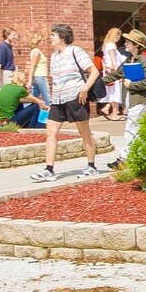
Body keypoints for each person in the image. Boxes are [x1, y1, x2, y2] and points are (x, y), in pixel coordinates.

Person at [29, 24, 101, 182]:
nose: (50, 38)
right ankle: (49, 169)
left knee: (84, 133)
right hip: (58, 100)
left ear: (62, 37)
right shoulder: (54, 56)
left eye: (53, 35)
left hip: (76, 97)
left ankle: (91, 166)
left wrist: (84, 89)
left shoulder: (76, 51)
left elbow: (94, 72)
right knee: (50, 133)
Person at [101, 30, 146, 170]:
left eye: (128, 41)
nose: (125, 43)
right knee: (136, 128)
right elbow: (116, 74)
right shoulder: (129, 60)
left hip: (140, 99)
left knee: (130, 128)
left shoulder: (143, 60)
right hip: (131, 99)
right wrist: (97, 83)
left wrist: (131, 85)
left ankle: (124, 159)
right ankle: (139, 156)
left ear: (136, 45)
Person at [99, 27, 126, 121]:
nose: (119, 39)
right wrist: (117, 71)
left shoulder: (106, 45)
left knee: (112, 92)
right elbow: (113, 59)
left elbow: (104, 60)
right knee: (116, 92)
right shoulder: (112, 45)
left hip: (107, 71)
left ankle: (106, 108)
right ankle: (114, 114)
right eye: (119, 36)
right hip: (113, 71)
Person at [24, 34, 51, 106]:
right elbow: (32, 66)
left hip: (36, 77)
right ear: (38, 41)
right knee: (47, 97)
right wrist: (29, 81)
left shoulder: (34, 51)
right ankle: (51, 115)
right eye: (42, 41)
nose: (43, 42)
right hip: (40, 77)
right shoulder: (36, 52)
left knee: (33, 97)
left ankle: (27, 113)